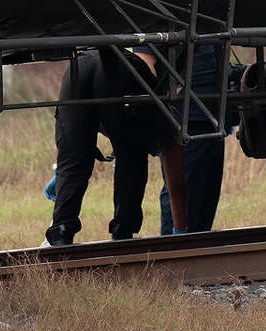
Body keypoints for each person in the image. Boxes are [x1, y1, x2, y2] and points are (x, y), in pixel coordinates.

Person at [45, 47, 187, 246]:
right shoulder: (166, 113)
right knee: (131, 156)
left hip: (80, 64)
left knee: (74, 160)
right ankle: (123, 231)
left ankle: (61, 231)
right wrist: (181, 231)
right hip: (123, 68)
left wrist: (64, 171)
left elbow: (71, 148)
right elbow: (176, 181)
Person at [157, 42, 232, 236]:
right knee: (181, 194)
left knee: (205, 200)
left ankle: (195, 248)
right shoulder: (159, 30)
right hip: (185, 121)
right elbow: (146, 63)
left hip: (213, 120)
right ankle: (173, 247)